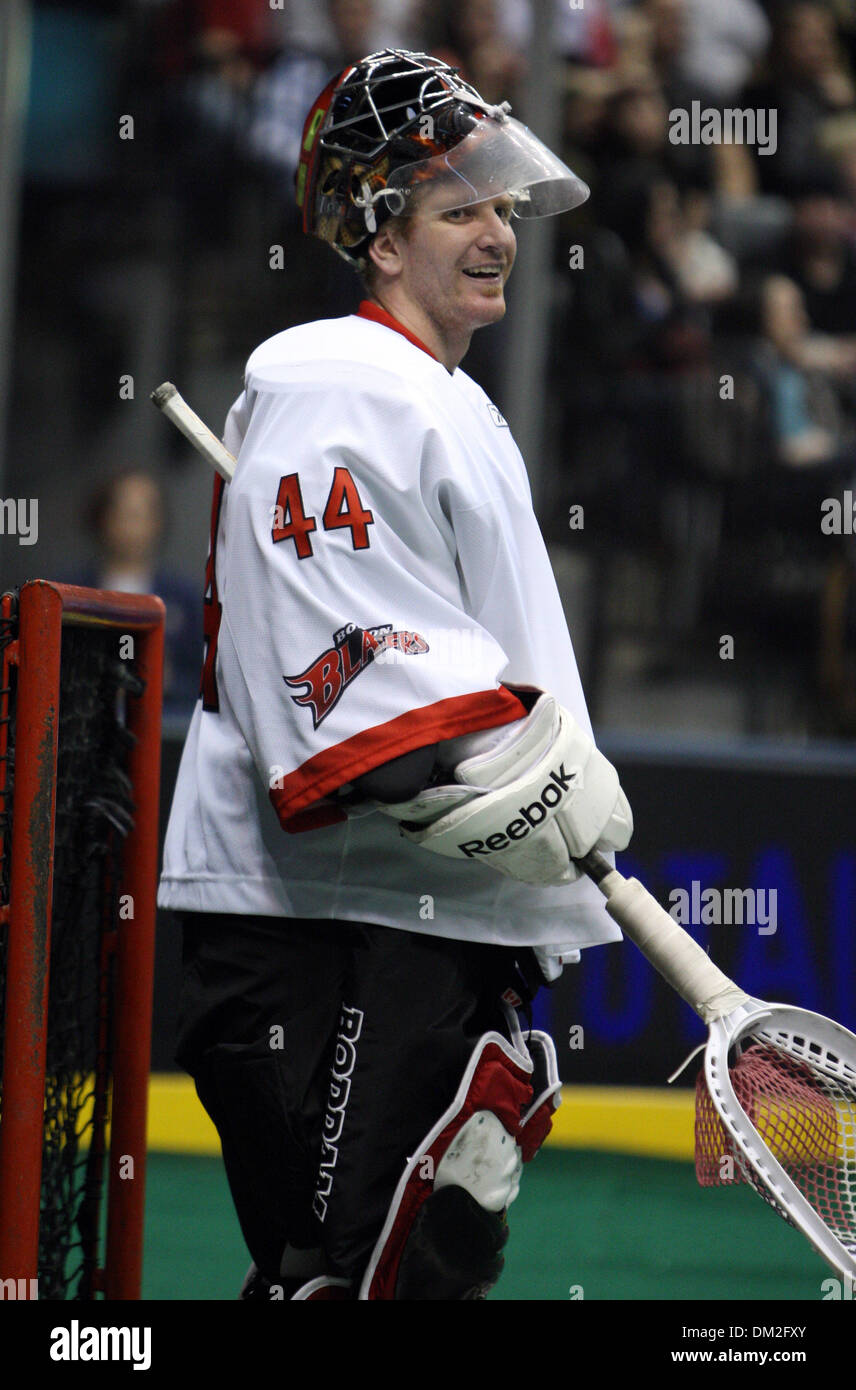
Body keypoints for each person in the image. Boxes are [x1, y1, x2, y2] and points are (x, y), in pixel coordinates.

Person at [158, 49, 633, 1301]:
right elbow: (344, 674)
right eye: (459, 207)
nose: (499, 233)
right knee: (350, 1279)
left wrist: (520, 768)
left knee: (383, 1273)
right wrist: (502, 765)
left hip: (402, 906)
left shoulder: (437, 395)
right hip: (325, 910)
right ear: (377, 234)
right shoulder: (338, 379)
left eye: (503, 209)